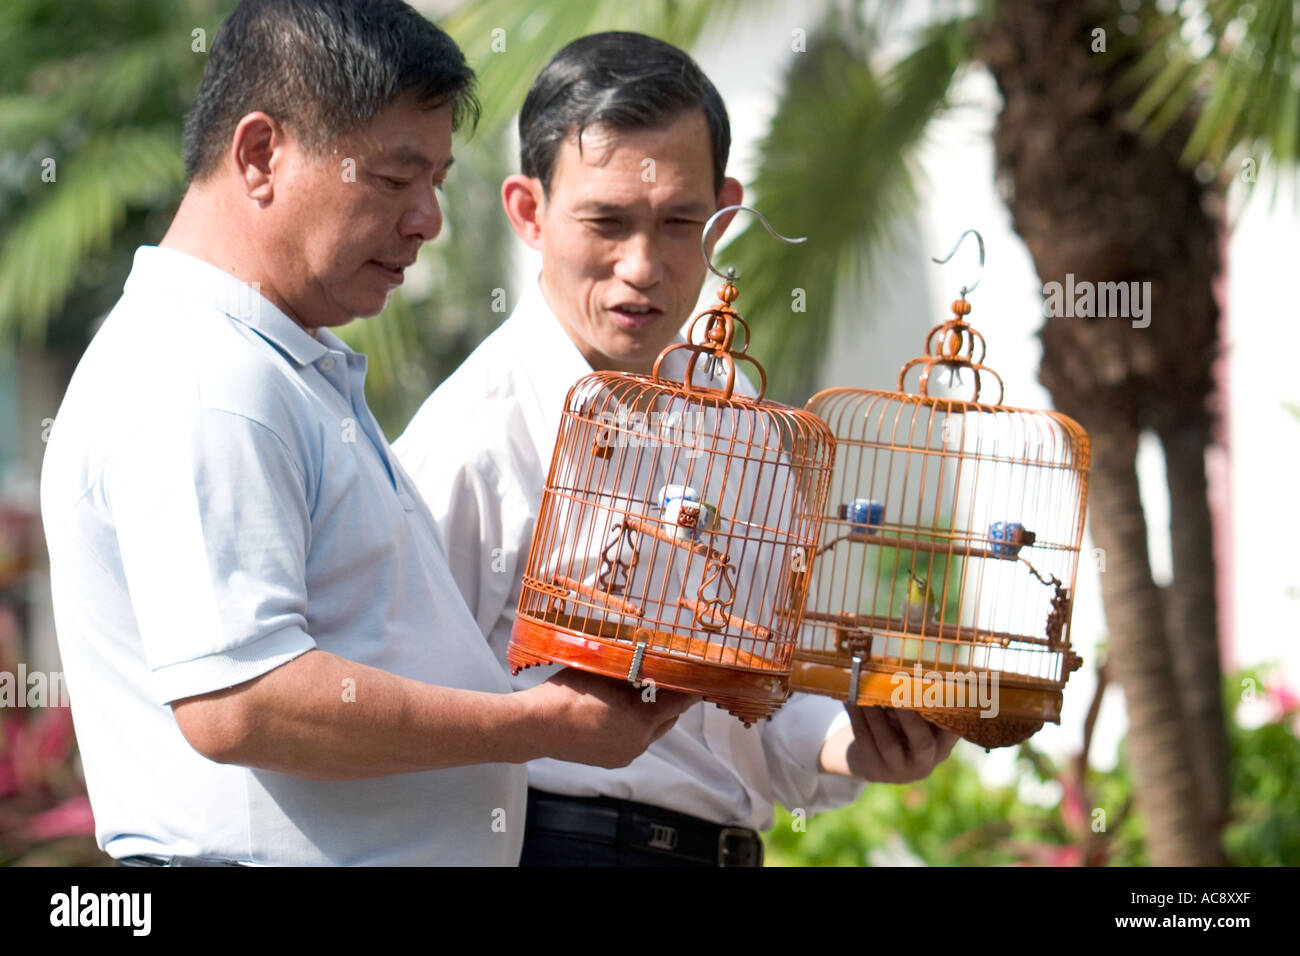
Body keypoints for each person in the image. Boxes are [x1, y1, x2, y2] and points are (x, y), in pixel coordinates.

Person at [39, 1, 694, 868]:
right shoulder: (205, 378)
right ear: (261, 155)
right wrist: (538, 723)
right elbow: (241, 701)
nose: (428, 219)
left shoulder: (270, 365)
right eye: (393, 179)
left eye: (435, 181)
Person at [394, 32, 959, 867]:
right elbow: (393, 720)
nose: (643, 266)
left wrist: (861, 738)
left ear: (726, 211)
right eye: (607, 222)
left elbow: (761, 705)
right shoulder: (472, 437)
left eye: (680, 222)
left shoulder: (747, 429)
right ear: (528, 212)